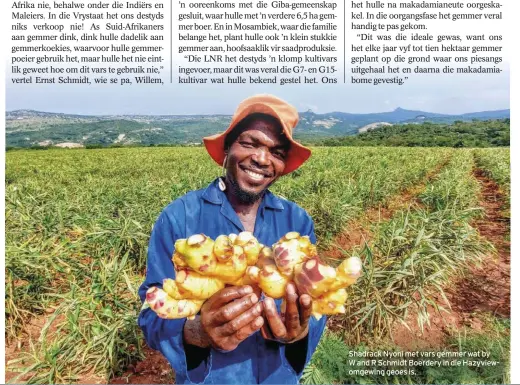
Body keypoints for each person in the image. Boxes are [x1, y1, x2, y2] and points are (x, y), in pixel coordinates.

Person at [138, 94, 327, 384]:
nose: (262, 158)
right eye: (250, 143)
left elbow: (316, 303)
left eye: (275, 152)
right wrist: (197, 332)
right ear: (228, 147)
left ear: (282, 164)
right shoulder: (180, 217)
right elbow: (151, 311)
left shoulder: (297, 221)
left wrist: (300, 333)